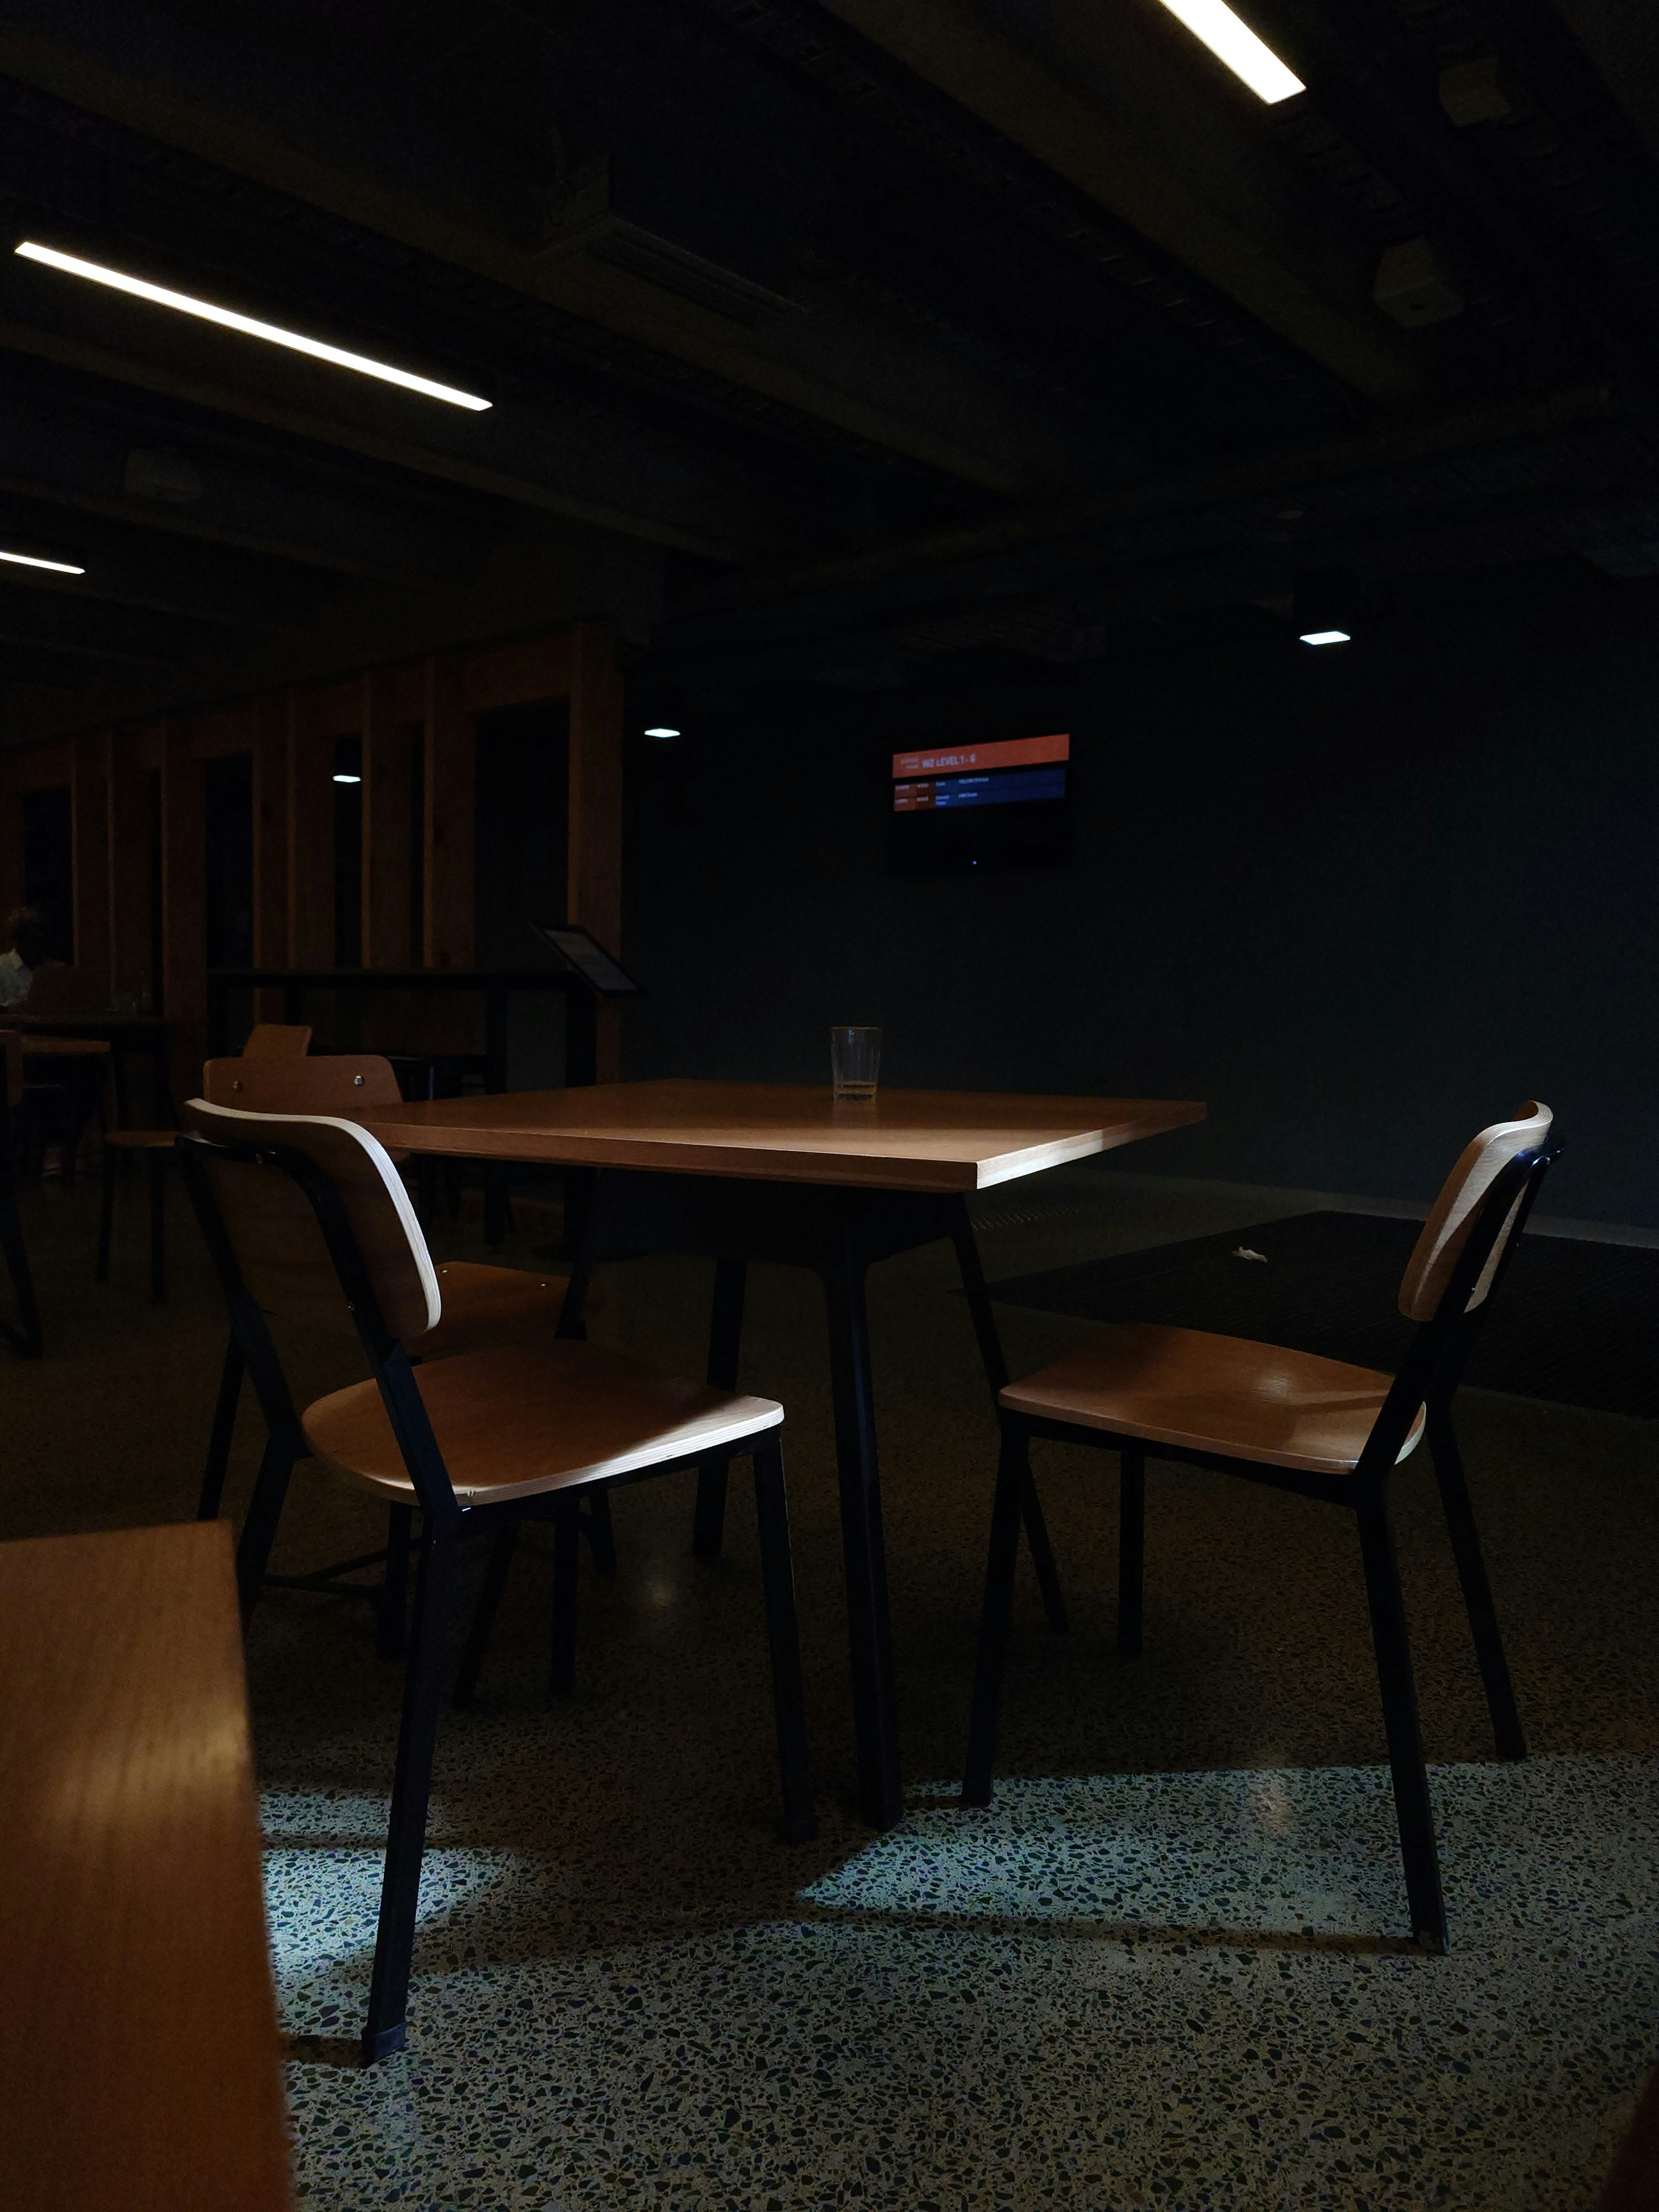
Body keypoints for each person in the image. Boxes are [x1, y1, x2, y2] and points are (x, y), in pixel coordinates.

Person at [0, 906, 51, 1009]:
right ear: (17, 938)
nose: (37, 946)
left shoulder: (53, 969)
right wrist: (14, 1008)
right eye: (31, 940)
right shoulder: (2, 967)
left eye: (40, 940)